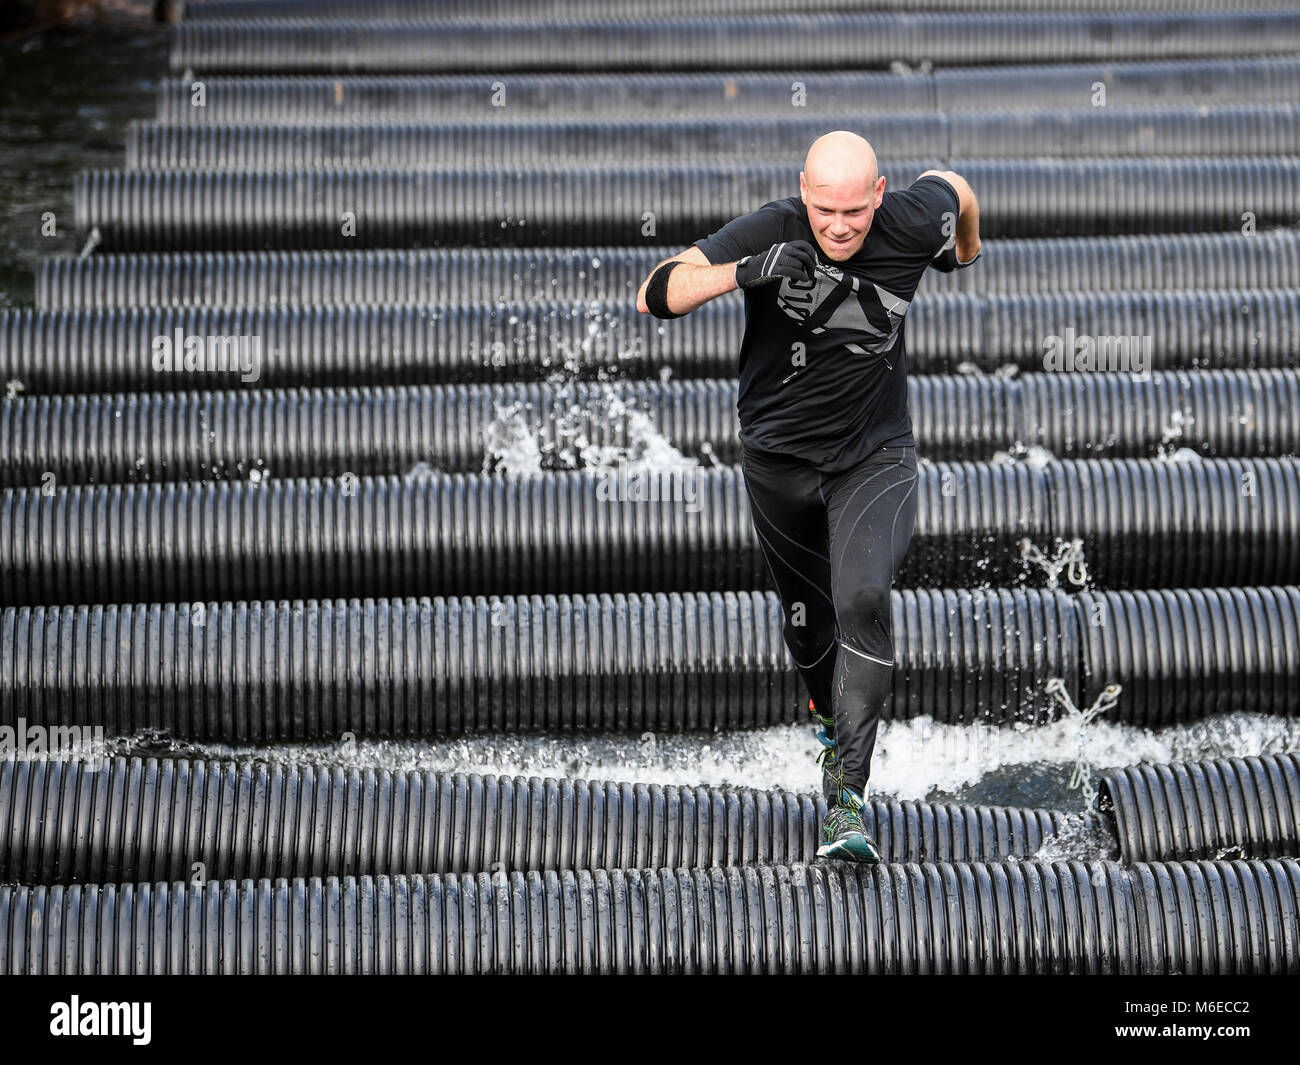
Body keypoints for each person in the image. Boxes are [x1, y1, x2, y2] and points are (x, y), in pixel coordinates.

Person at [635, 130, 982, 862]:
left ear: (879, 196)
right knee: (807, 627)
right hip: (778, 464)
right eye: (824, 209)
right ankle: (829, 719)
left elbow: (955, 188)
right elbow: (653, 292)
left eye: (854, 211)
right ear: (804, 192)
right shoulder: (775, 227)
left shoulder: (912, 219)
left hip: (872, 456)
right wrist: (742, 271)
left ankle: (846, 800)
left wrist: (965, 250)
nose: (839, 226)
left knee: (863, 598)